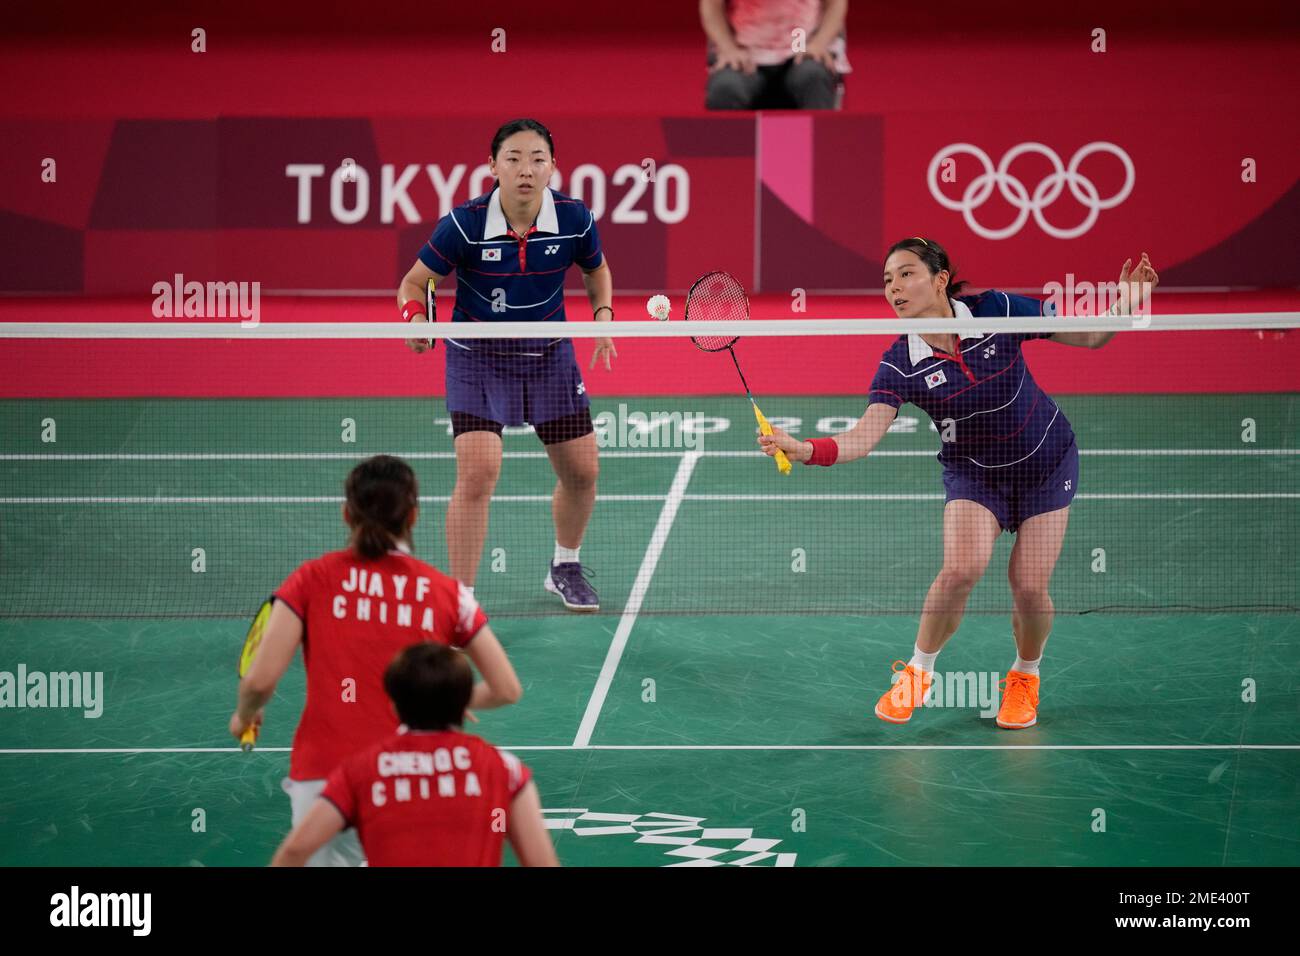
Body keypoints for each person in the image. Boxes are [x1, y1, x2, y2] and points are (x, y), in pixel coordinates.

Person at [760, 237, 1158, 729]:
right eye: (887, 280)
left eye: (906, 274)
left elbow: (1090, 336)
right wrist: (803, 450)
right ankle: (917, 674)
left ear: (941, 279)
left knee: (1029, 586)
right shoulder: (899, 363)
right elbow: (863, 438)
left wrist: (1127, 303)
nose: (895, 288)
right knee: (959, 570)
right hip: (975, 477)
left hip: (1046, 464)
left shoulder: (996, 309)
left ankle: (1024, 678)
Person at [229, 455, 523, 865]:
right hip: (409, 780)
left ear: (347, 513)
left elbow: (260, 683)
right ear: (414, 516)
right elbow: (507, 688)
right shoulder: (447, 593)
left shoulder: (311, 580)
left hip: (324, 777)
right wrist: (448, 698)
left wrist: (246, 715)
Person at [398, 118, 612, 612]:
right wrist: (414, 320)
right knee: (479, 472)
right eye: (513, 158)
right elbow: (412, 284)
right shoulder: (464, 224)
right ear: (492, 165)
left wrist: (603, 316)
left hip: (550, 357)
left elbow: (596, 270)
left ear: (553, 167)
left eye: (538, 159)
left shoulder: (575, 218)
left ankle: (565, 567)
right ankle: (462, 598)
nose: (525, 170)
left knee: (582, 472)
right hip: (478, 359)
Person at [270, 643, 557, 867]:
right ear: (464, 701)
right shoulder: (505, 769)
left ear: (394, 705)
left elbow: (296, 849)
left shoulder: (361, 770)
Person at [701, 0, 850, 110]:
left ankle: (818, 150)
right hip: (747, 53)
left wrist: (819, 42)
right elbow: (711, 6)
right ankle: (733, 152)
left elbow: (835, 4)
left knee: (813, 76)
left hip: (801, 48)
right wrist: (728, 48)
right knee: (725, 87)